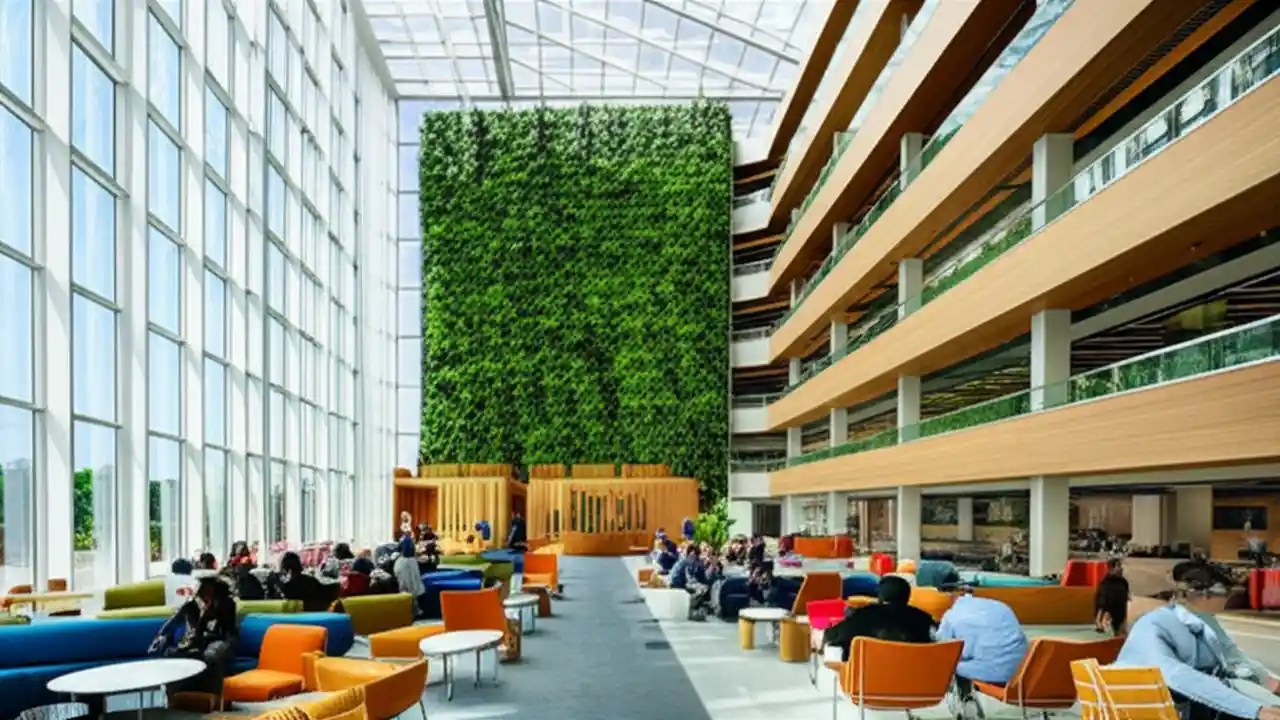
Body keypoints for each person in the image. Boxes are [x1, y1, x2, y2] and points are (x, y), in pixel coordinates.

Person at [1107, 587, 1280, 720]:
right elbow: (1179, 676)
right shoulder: (1156, 625)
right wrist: (1254, 709)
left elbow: (1232, 656)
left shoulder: (1192, 619)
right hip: (1142, 707)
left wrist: (1267, 682)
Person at [150, 577, 238, 697]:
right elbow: (172, 623)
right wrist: (161, 636)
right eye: (201, 588)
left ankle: (213, 696)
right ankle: (175, 695)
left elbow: (222, 632)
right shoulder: (191, 606)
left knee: (211, 655)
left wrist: (204, 616)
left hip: (220, 640)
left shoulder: (225, 604)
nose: (202, 591)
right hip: (199, 640)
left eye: (207, 588)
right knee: (172, 653)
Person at [824, 576, 935, 660]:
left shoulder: (863, 615)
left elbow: (832, 636)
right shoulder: (924, 619)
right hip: (917, 682)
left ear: (879, 594)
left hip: (866, 682)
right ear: (908, 596)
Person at [937, 592, 1028, 690]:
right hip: (1022, 670)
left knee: (950, 664)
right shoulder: (1000, 605)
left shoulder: (950, 616)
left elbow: (943, 649)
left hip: (996, 675)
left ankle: (966, 699)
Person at [393, 537, 426, 613]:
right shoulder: (412, 561)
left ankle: (410, 608)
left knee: (406, 588)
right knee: (411, 588)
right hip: (409, 575)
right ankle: (413, 608)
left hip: (403, 579)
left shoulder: (399, 560)